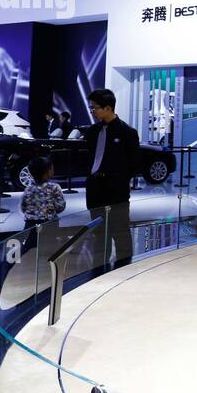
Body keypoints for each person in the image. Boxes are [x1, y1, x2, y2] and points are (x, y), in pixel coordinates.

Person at [82, 89, 139, 268]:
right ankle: (98, 271)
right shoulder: (92, 132)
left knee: (120, 234)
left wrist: (115, 179)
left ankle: (123, 271)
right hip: (95, 192)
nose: (92, 112)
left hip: (116, 194)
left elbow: (134, 165)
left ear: (108, 108)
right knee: (99, 235)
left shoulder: (127, 132)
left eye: (95, 108)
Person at [21, 155, 66, 225]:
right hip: (49, 223)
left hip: (30, 224)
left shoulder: (28, 189)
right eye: (51, 168)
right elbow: (60, 207)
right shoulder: (54, 187)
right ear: (47, 172)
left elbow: (23, 207)